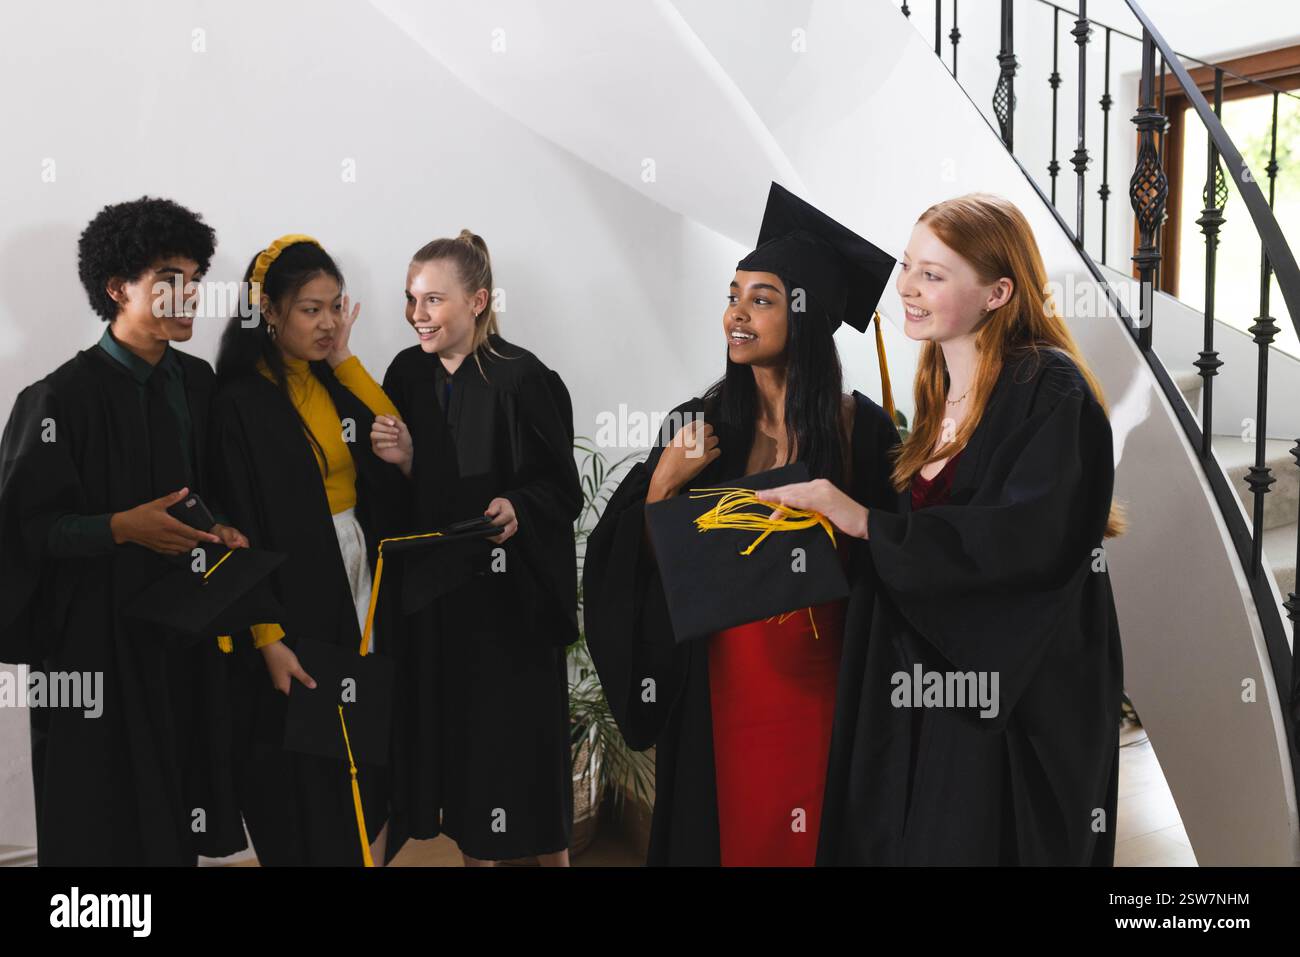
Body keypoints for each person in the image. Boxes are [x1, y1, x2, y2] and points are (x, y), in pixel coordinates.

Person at [758, 194, 1126, 865]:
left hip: (1012, 695)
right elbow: (916, 544)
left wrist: (865, 520)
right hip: (932, 691)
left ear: (997, 292)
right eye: (907, 265)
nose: (906, 286)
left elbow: (1023, 542)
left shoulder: (1051, 390)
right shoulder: (936, 392)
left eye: (933, 273)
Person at [582, 184, 901, 865]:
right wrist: (665, 482)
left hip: (824, 688)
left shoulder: (863, 433)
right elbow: (634, 566)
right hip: (717, 684)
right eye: (733, 295)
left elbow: (893, 562)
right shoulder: (697, 427)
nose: (737, 314)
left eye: (762, 299)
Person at [0, 196, 248, 864]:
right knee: (96, 813)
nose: (190, 293)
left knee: (175, 798)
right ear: (118, 288)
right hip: (93, 643)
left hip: (182, 632)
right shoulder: (56, 400)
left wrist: (219, 528)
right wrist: (119, 527)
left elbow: (208, 490)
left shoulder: (195, 383)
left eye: (195, 278)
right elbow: (24, 533)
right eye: (171, 278)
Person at [372, 229, 581, 866]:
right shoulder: (406, 374)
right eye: (411, 300)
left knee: (514, 749)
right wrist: (406, 465)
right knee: (458, 757)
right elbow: (405, 499)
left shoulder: (526, 379)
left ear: (479, 300)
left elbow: (561, 489)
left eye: (434, 300)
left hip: (507, 608)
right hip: (438, 603)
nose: (418, 315)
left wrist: (520, 505)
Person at [210, 235, 408, 865]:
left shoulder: (333, 380)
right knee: (307, 757)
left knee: (365, 744)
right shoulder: (240, 401)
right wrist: (267, 636)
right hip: (294, 592)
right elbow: (235, 523)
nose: (327, 324)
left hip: (356, 575)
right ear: (267, 311)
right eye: (309, 310)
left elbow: (395, 439)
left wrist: (346, 358)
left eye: (334, 308)